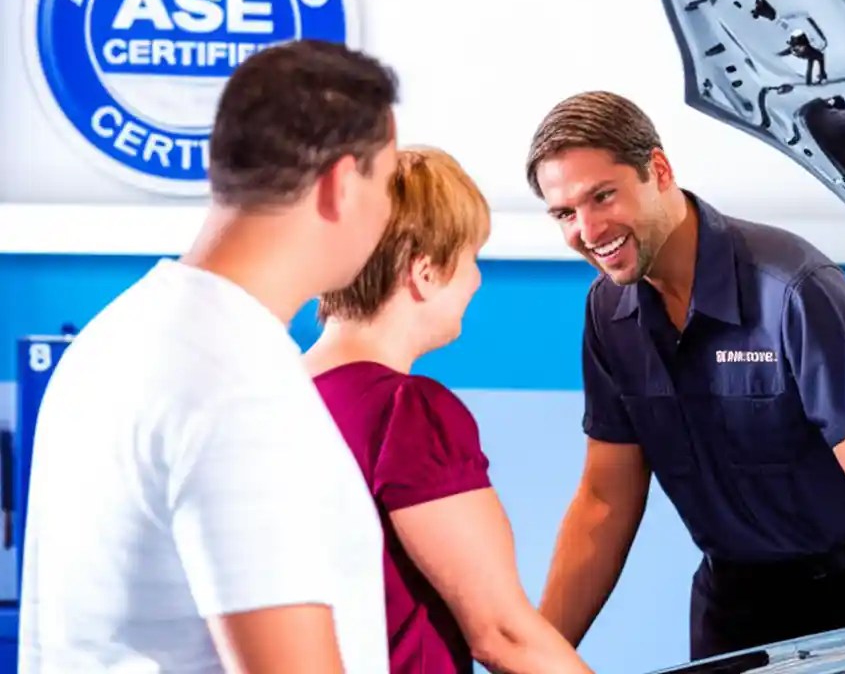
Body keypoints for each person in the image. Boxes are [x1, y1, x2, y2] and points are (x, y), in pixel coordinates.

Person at [525, 91, 845, 671]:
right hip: (729, 609)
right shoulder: (607, 314)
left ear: (658, 170)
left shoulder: (793, 290)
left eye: (602, 196)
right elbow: (605, 500)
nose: (588, 229)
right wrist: (530, 655)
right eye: (564, 214)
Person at [18, 39, 400, 673]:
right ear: (339, 185)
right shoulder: (239, 385)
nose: (388, 211)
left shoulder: (116, 337)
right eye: (387, 183)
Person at [302, 146, 594, 674]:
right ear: (425, 271)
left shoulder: (277, 395)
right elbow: (502, 634)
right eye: (470, 258)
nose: (477, 281)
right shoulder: (405, 413)